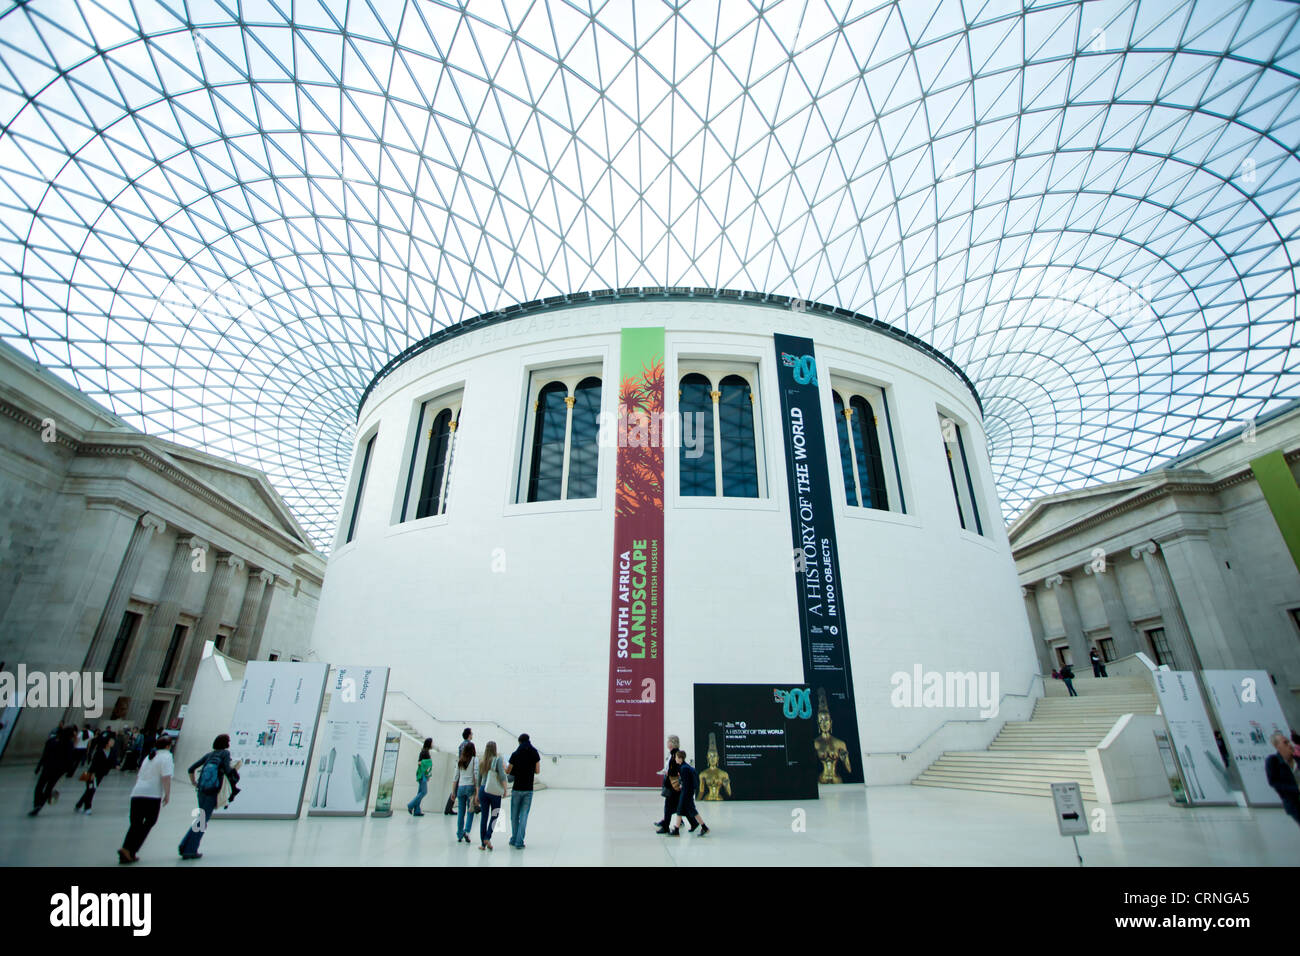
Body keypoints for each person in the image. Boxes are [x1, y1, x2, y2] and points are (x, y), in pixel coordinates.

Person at [179, 733, 236, 860]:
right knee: (203, 820)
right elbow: (227, 770)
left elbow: (191, 768)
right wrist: (234, 769)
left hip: (202, 790)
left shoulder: (209, 755)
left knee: (201, 818)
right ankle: (190, 850)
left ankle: (185, 845)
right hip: (212, 790)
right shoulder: (225, 754)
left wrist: (194, 782)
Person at [119, 735, 173, 863]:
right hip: (152, 795)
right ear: (168, 746)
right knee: (149, 822)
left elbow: (139, 776)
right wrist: (167, 794)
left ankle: (128, 850)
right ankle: (131, 849)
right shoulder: (167, 757)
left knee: (135, 823)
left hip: (137, 793)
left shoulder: (149, 756)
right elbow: (166, 777)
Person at [506, 732, 541, 849]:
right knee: (524, 815)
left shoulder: (515, 753)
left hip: (517, 789)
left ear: (519, 742)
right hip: (528, 789)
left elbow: (508, 771)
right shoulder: (534, 752)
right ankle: (519, 841)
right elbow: (537, 771)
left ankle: (514, 838)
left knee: (514, 816)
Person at [31, 726, 76, 815]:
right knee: (49, 787)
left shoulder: (51, 741)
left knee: (39, 786)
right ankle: (40, 804)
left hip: (48, 767)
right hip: (58, 770)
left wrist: (39, 766)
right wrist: (68, 770)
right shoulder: (69, 744)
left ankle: (37, 803)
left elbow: (45, 754)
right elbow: (70, 758)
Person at [668, 749, 709, 837]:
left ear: (680, 758)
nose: (675, 759)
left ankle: (676, 830)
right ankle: (704, 827)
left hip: (686, 793)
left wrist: (683, 795)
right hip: (688, 793)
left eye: (676, 757)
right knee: (691, 811)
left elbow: (686, 784)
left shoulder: (684, 768)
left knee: (680, 810)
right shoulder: (685, 767)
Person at [1265, 731, 1300, 827]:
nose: (1290, 745)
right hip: (1294, 803)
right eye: (1285, 743)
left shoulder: (1297, 760)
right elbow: (1274, 782)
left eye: (1289, 742)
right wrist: (1296, 789)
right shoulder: (1272, 761)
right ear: (1277, 746)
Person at [75, 736, 116, 814]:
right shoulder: (99, 751)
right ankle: (87, 808)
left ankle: (78, 805)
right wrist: (93, 773)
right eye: (111, 741)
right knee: (90, 791)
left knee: (90, 790)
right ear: (107, 742)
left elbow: (112, 761)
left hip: (101, 774)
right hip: (91, 773)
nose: (113, 743)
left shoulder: (112, 751)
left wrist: (116, 765)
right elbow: (94, 763)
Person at [478, 740, 507, 850]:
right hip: (494, 791)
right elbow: (502, 776)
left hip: (482, 790)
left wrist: (477, 794)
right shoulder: (497, 760)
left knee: (484, 817)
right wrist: (505, 789)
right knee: (495, 814)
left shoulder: (482, 761)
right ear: (495, 749)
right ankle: (487, 836)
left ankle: (482, 843)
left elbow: (479, 779)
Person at [451, 740, 478, 844]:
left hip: (461, 788)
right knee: (470, 810)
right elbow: (476, 775)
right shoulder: (475, 760)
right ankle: (466, 831)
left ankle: (459, 833)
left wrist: (453, 792)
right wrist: (477, 790)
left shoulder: (460, 760)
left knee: (461, 813)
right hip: (470, 787)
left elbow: (455, 777)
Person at [654, 735, 681, 832]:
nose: (667, 743)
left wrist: (667, 772)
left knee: (669, 805)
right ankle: (667, 822)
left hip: (672, 784)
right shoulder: (672, 754)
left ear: (672, 743)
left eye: (668, 741)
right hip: (670, 782)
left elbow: (675, 769)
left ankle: (666, 826)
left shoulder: (676, 755)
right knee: (673, 805)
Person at [445, 727, 473, 815]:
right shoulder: (469, 745)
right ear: (469, 735)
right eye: (471, 734)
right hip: (466, 771)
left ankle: (448, 808)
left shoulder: (461, 745)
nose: (472, 735)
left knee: (456, 788)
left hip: (460, 768)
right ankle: (449, 808)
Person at [407, 738, 433, 816]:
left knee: (420, 792)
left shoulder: (424, 751)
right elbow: (421, 763)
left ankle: (417, 811)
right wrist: (427, 775)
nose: (433, 744)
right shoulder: (425, 752)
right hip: (423, 774)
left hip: (420, 774)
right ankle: (410, 805)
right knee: (424, 792)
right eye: (432, 743)